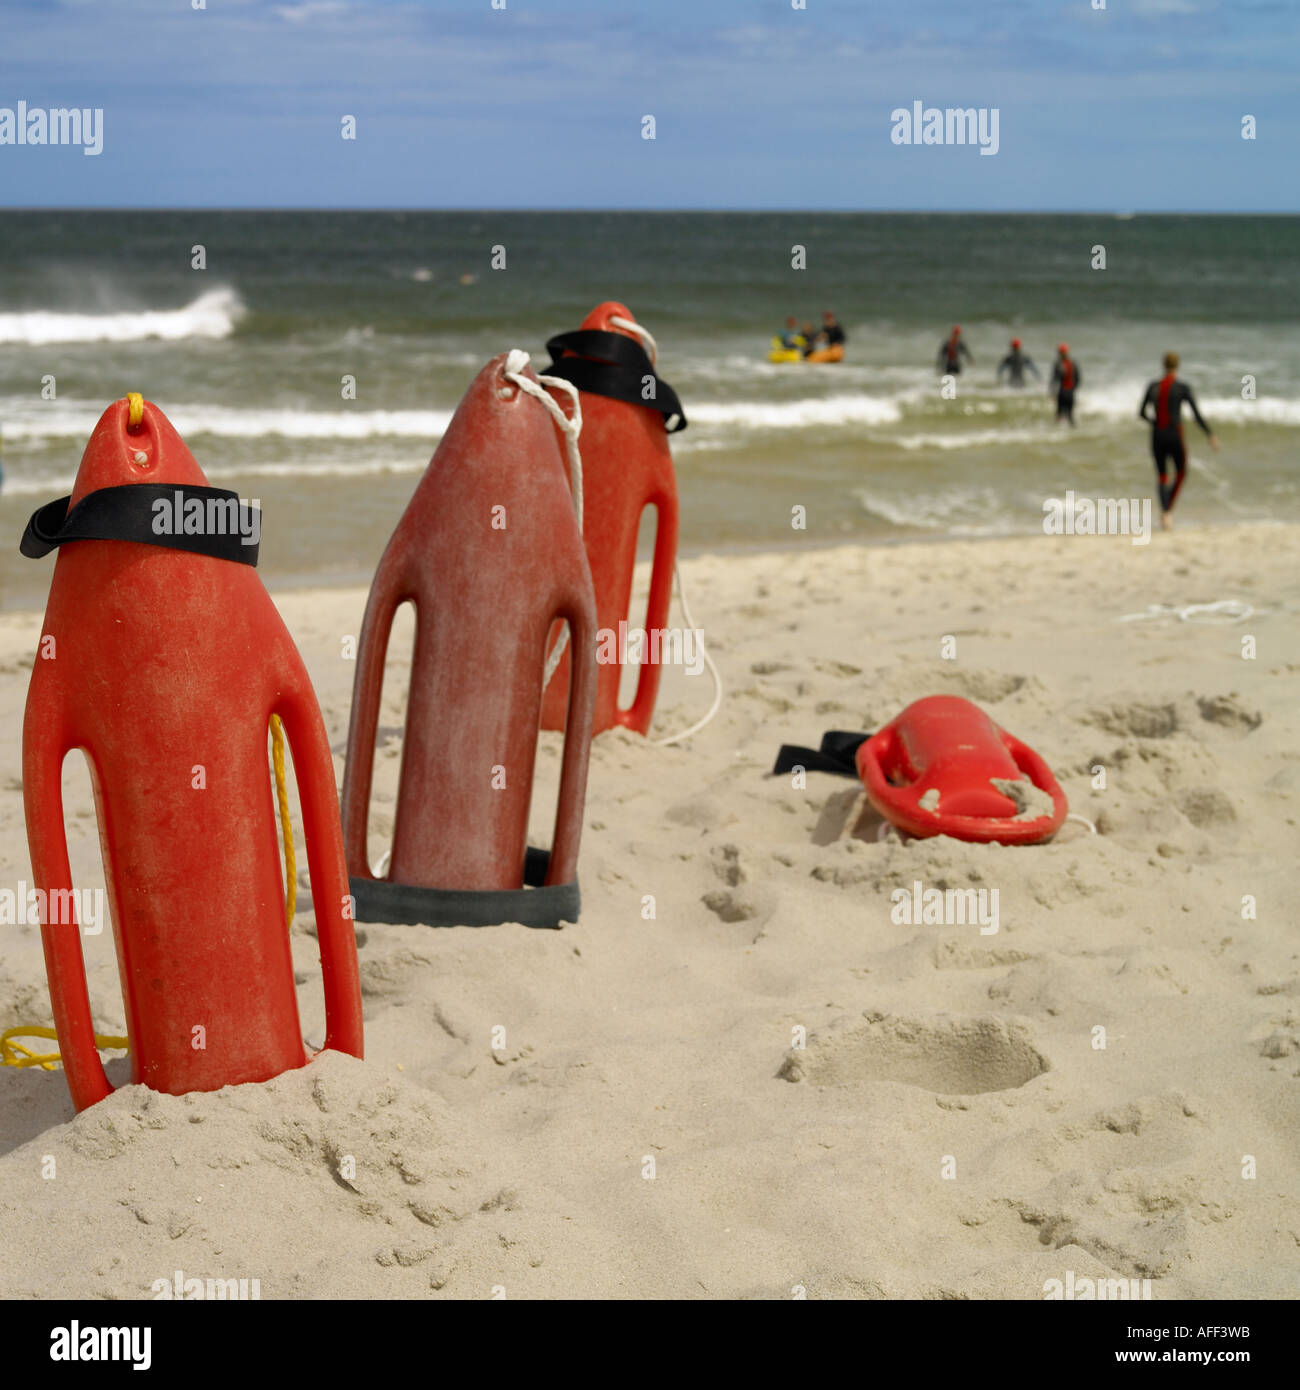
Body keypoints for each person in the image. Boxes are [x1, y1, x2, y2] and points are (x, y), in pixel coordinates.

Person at [1139, 350, 1220, 530]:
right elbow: (1196, 414)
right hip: (1175, 435)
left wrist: (1154, 422)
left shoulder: (1152, 386)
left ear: (1163, 365)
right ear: (1178, 366)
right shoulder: (1182, 388)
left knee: (1161, 475)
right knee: (1181, 473)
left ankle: (1165, 511)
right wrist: (1210, 434)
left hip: (1157, 435)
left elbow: (1142, 413)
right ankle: (1168, 510)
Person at [1050, 343, 1080, 425]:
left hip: (1064, 391)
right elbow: (1078, 379)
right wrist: (1074, 389)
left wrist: (1052, 391)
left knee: (1060, 414)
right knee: (1068, 415)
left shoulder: (1058, 364)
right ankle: (1071, 431)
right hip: (1069, 391)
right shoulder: (1073, 363)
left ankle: (1059, 432)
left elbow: (1054, 379)